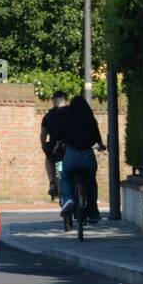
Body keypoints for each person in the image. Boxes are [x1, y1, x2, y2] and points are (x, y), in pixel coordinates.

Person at [45, 94, 105, 226]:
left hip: (71, 156)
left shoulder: (67, 118)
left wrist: (56, 148)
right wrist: (101, 145)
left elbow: (60, 137)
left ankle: (69, 200)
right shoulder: (90, 120)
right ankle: (93, 211)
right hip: (87, 156)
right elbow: (97, 137)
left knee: (66, 177)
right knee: (91, 182)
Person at [40, 91, 68, 201]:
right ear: (65, 100)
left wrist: (43, 145)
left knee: (48, 159)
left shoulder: (48, 116)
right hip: (70, 147)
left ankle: (52, 183)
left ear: (53, 101)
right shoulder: (71, 113)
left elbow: (43, 134)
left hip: (53, 149)